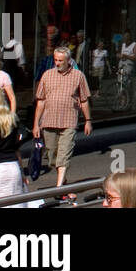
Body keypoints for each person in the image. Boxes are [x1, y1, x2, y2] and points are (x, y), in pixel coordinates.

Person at [32, 46, 92, 188]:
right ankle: (62, 179)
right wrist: (36, 124)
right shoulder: (47, 75)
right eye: (55, 60)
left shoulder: (78, 76)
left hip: (69, 122)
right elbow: (40, 101)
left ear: (69, 60)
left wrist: (88, 121)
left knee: (64, 155)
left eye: (61, 60)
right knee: (52, 156)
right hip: (49, 121)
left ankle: (59, 187)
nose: (57, 63)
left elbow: (84, 100)